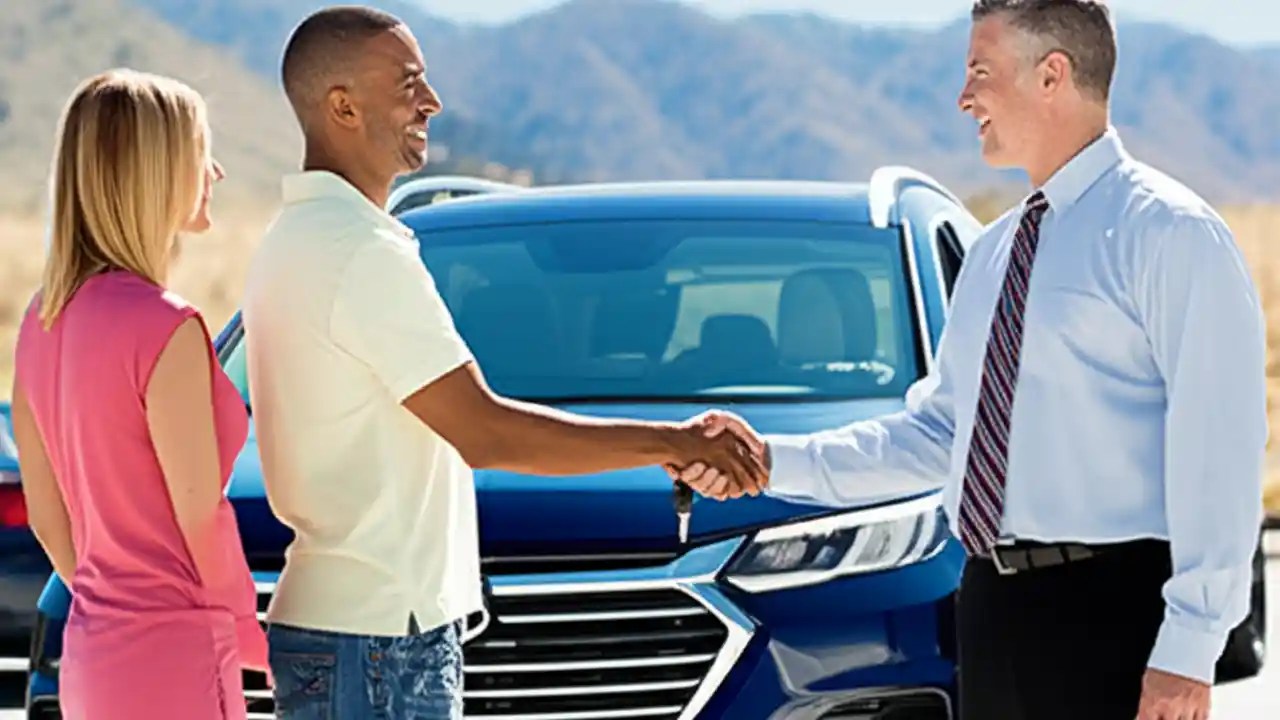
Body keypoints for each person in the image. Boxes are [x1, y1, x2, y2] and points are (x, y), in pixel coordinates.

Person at [674, 1, 1267, 719]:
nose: (963, 99)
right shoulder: (994, 253)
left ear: (1053, 75)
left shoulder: (1171, 234)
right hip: (991, 608)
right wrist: (768, 460)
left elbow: (1219, 452)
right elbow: (938, 436)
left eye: (979, 72)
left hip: (1116, 615)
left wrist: (1190, 647)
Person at [240, 7, 765, 718]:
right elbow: (483, 430)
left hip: (349, 630)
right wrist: (670, 442)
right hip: (380, 642)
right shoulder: (361, 252)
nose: (432, 101)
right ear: (343, 106)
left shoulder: (296, 238)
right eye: (410, 83)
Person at [9, 69, 268, 720]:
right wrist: (255, 639)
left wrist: (109, 603)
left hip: (92, 660)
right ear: (157, 172)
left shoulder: (42, 320)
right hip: (176, 657)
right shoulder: (167, 327)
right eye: (200, 151)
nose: (217, 172)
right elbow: (199, 520)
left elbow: (47, 516)